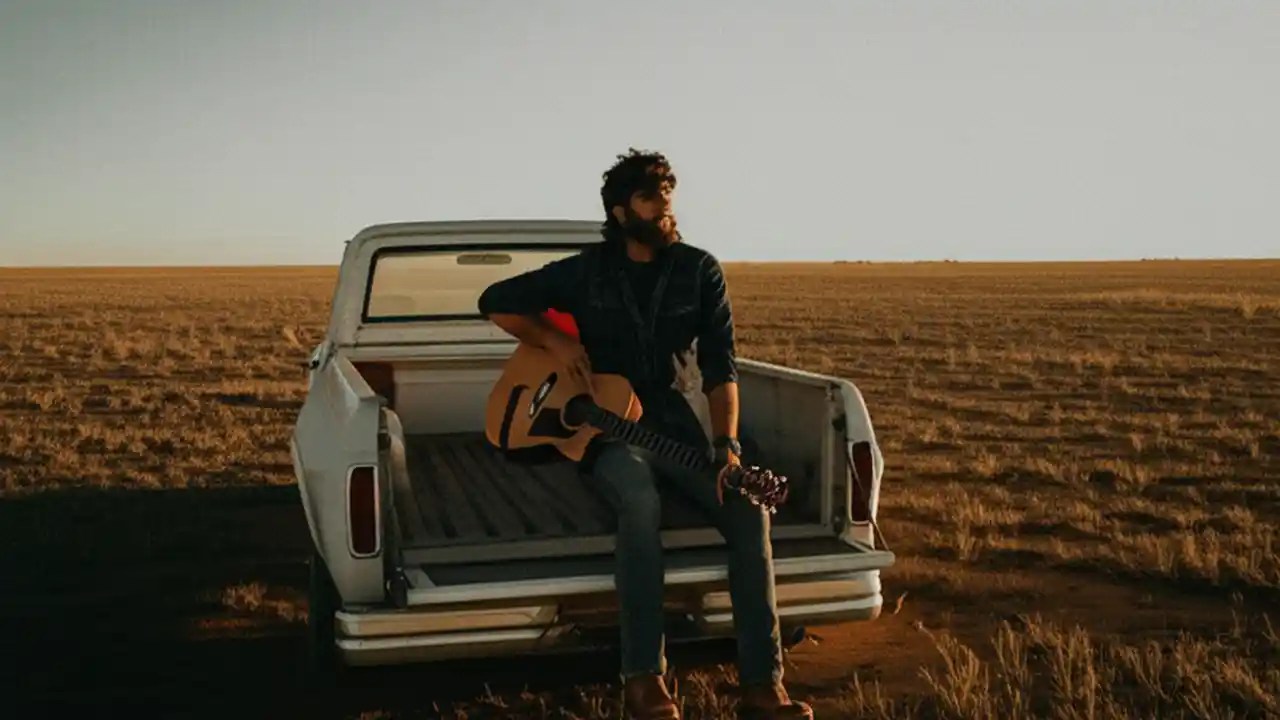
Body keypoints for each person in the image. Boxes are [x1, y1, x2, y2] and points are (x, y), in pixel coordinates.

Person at [477, 149, 812, 720]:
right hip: (606, 428)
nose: (665, 206)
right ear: (621, 211)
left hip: (675, 427)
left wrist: (727, 446)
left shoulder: (698, 270)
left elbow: (722, 368)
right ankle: (643, 679)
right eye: (650, 197)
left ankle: (762, 685)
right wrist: (555, 341)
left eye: (668, 195)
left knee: (748, 510)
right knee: (638, 499)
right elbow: (495, 301)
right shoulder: (585, 271)